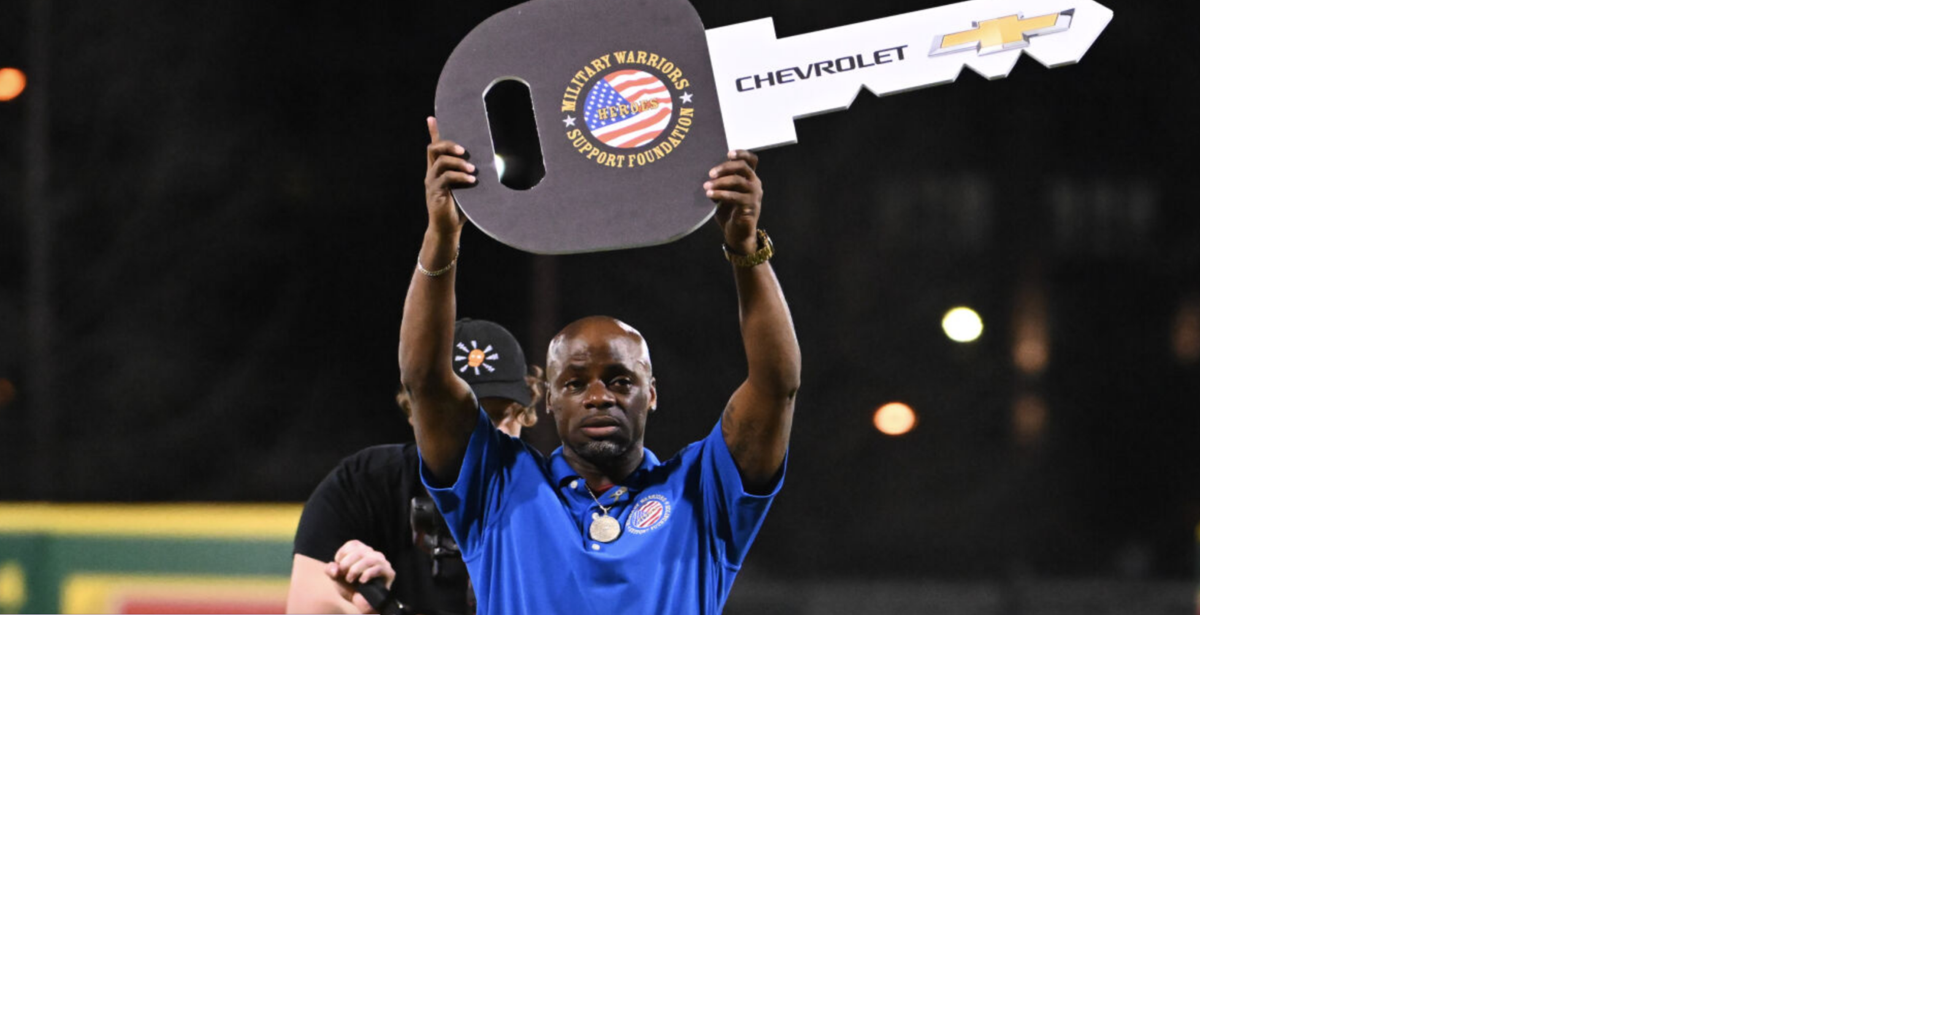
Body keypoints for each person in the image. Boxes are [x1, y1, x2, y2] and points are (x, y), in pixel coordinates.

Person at [399, 117, 800, 614]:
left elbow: (777, 383)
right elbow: (425, 380)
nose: (598, 396)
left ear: (651, 392)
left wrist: (746, 249)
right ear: (547, 400)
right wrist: (441, 237)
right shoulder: (495, 485)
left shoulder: (703, 491)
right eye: (574, 383)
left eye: (620, 380)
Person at [287, 320, 543, 614]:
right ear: (414, 412)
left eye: (498, 416)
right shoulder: (362, 487)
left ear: (526, 414)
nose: (479, 437)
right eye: (457, 417)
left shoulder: (555, 504)